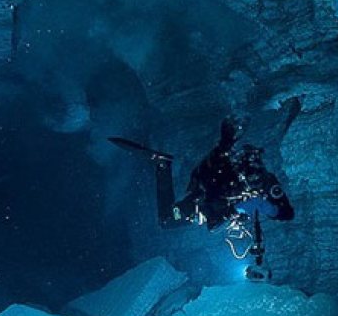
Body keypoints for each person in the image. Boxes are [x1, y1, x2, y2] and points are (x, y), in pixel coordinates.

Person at [111, 116, 293, 279]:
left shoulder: (266, 181)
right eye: (249, 178)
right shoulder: (227, 169)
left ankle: (163, 165)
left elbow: (287, 213)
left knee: (169, 220)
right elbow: (213, 220)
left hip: (214, 204)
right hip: (203, 201)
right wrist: (237, 208)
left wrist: (267, 207)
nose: (252, 182)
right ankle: (162, 165)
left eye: (255, 179)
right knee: (167, 220)